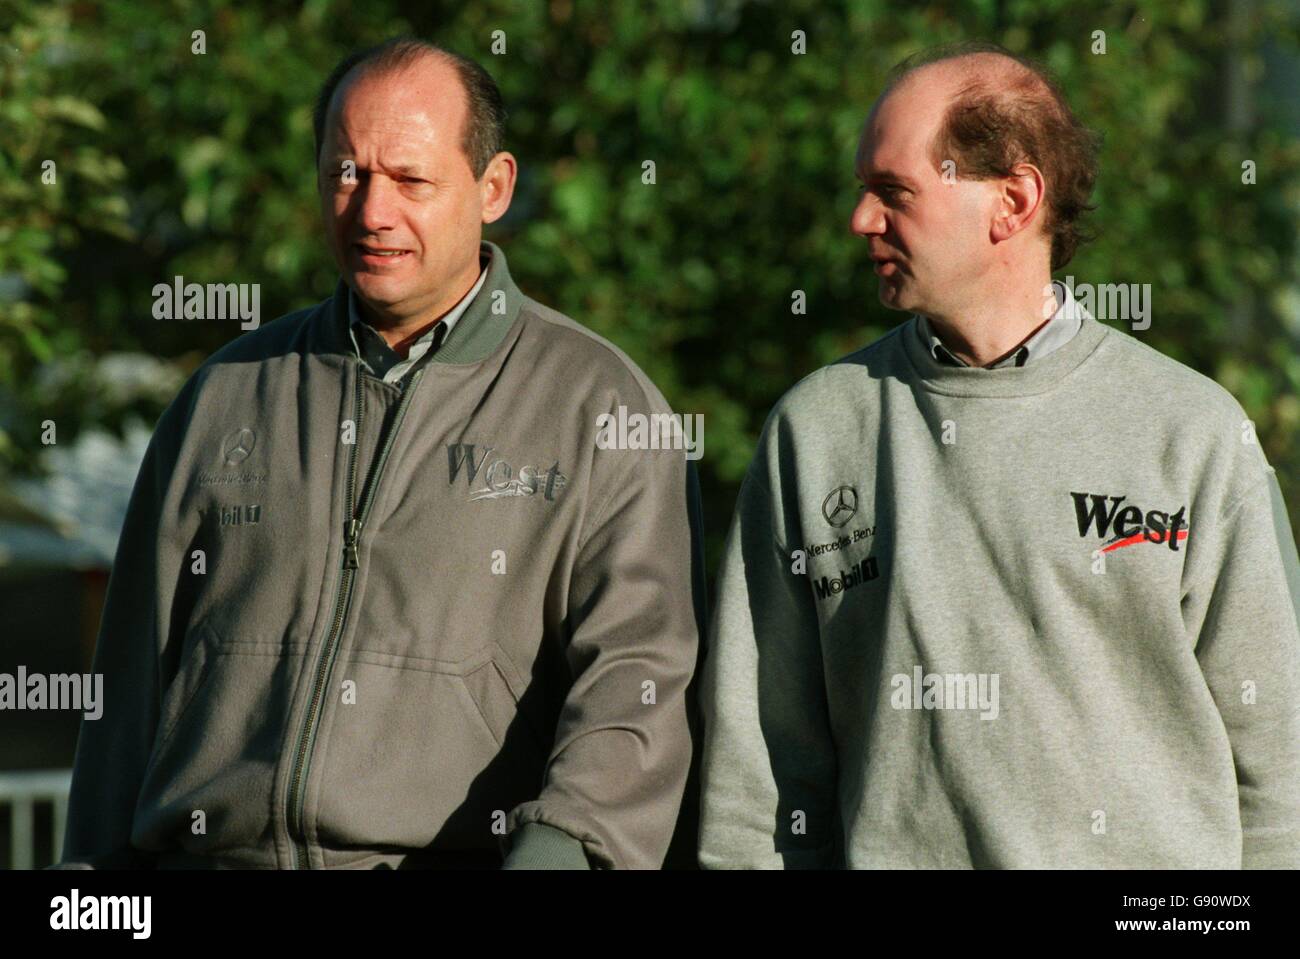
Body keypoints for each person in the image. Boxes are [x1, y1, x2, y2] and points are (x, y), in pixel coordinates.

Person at [60, 36, 705, 870]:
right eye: (346, 174)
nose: (371, 211)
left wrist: (560, 851)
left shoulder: (603, 411)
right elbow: (128, 691)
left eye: (411, 179)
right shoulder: (222, 396)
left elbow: (635, 689)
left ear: (494, 186)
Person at [698, 40, 1300, 869]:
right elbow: (758, 770)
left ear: (1012, 201)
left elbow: (1280, 764)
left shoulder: (1192, 433)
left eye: (892, 192)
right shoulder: (816, 430)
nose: (861, 220)